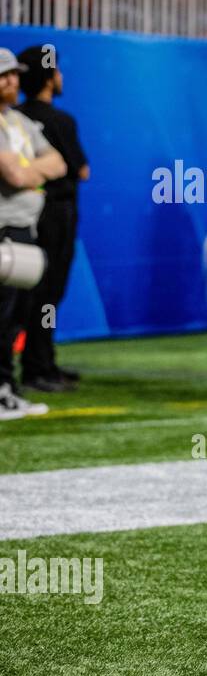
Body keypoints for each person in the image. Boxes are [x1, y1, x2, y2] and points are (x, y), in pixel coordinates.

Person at [17, 44, 87, 393]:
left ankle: (40, 361)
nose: (60, 77)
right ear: (48, 78)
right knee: (49, 292)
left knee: (29, 292)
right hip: (56, 214)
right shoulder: (60, 121)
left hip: (26, 213)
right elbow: (81, 169)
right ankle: (38, 365)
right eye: (56, 71)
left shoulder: (17, 119)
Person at [0, 47, 65, 420]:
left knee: (17, 317)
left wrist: (29, 170)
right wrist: (32, 171)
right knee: (2, 313)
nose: (11, 81)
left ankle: (7, 386)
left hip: (26, 228)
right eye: (4, 76)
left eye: (14, 75)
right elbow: (15, 176)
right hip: (4, 228)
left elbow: (59, 163)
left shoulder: (20, 123)